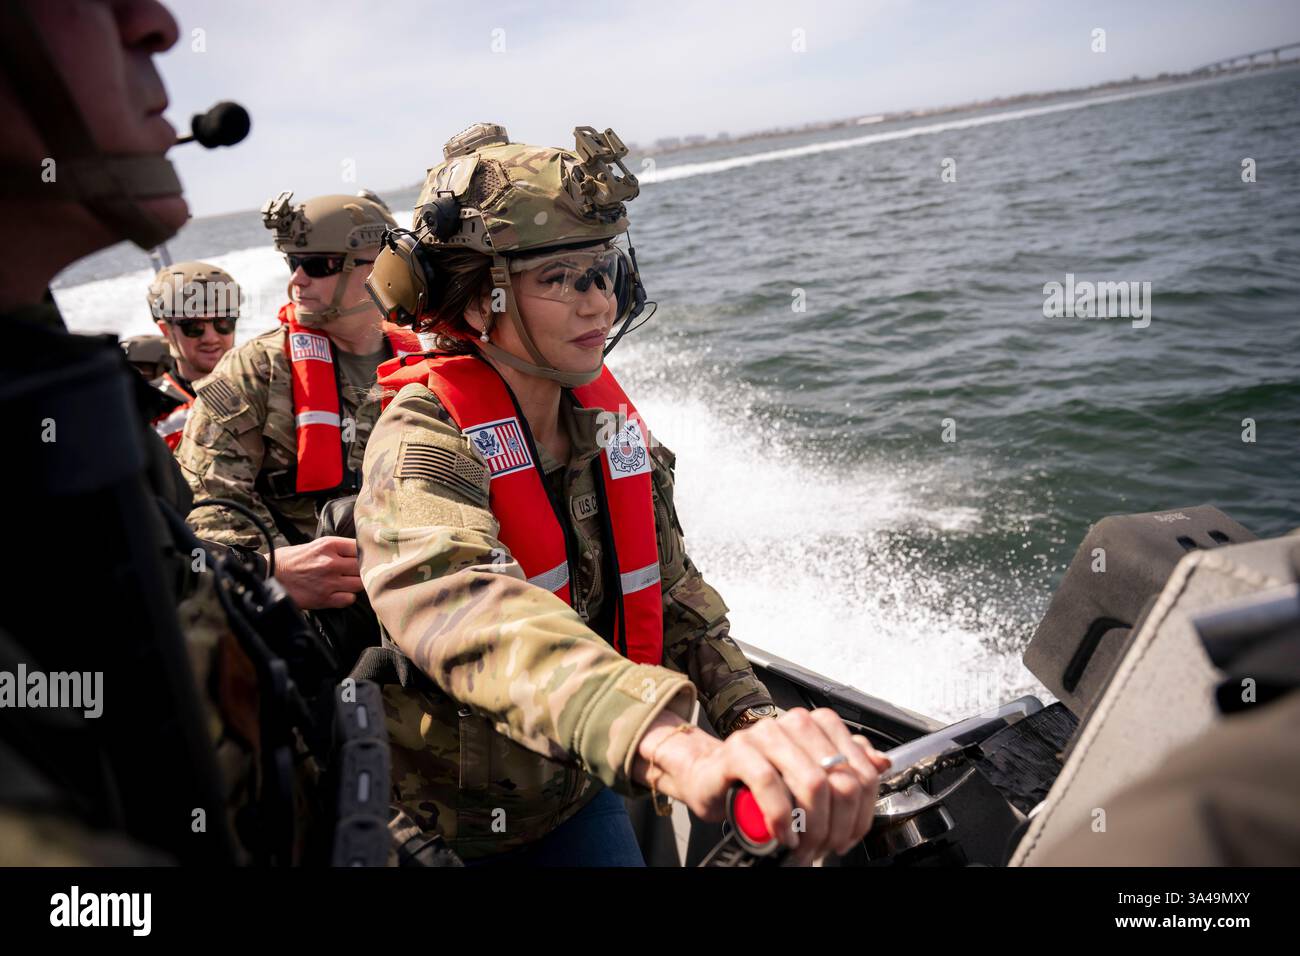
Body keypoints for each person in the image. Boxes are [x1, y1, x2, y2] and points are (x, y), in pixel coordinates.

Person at [356, 122, 890, 865]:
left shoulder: (607, 428)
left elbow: (673, 599)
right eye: (563, 279)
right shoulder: (422, 443)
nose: (599, 305)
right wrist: (677, 748)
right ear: (479, 303)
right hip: (453, 820)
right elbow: (461, 602)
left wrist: (757, 726)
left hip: (578, 789)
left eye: (605, 272)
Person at [0, 0, 393, 867]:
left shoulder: (65, 404)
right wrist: (272, 572)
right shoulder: (223, 390)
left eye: (327, 261)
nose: (157, 24)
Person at [176, 191, 421, 626]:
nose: (297, 282)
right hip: (315, 617)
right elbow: (210, 504)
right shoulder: (254, 371)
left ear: (378, 267)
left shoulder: (424, 360)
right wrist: (277, 571)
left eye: (319, 265)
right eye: (293, 264)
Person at [146, 260, 239, 448]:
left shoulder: (266, 384)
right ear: (166, 331)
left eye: (223, 322)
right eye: (194, 327)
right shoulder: (147, 410)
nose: (211, 337)